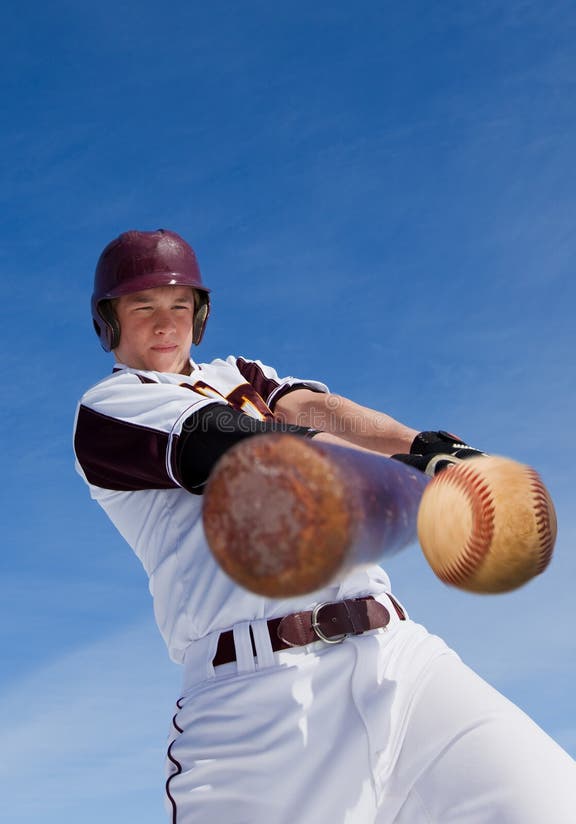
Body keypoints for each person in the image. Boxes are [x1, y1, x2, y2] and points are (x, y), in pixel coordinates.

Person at [74, 229, 576, 824]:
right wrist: (417, 475)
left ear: (200, 313)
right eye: (143, 307)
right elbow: (246, 450)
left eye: (179, 306)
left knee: (550, 803)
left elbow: (313, 410)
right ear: (110, 319)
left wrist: (429, 445)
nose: (165, 323)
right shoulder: (112, 408)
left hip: (398, 659)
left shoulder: (238, 374)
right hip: (260, 704)